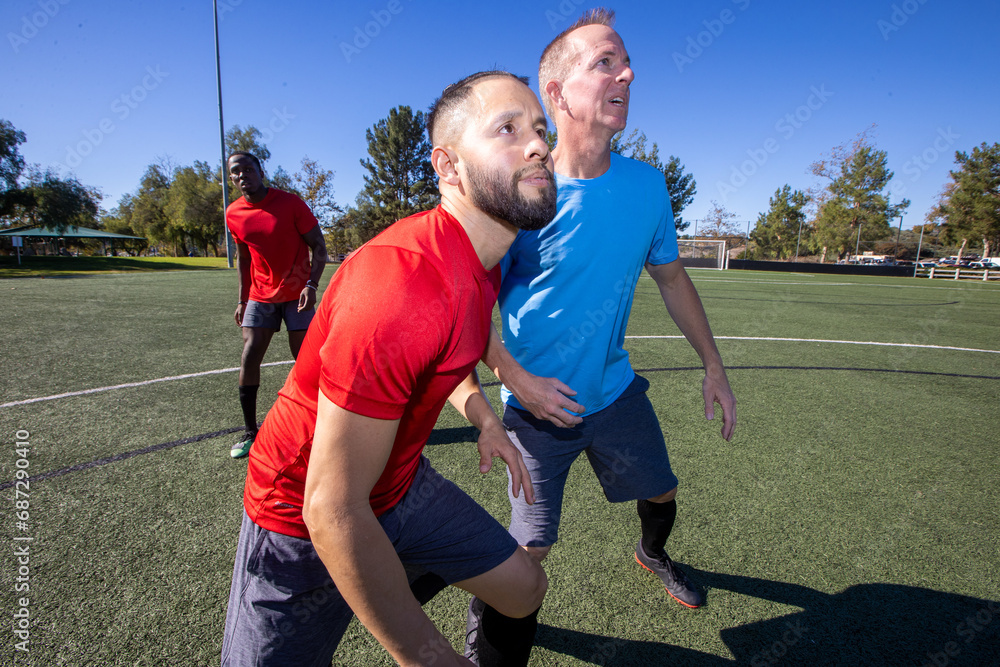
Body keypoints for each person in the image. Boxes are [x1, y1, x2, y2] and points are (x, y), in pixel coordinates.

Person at [221, 71, 557, 667]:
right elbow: (330, 508)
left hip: (398, 484)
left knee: (526, 587)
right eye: (507, 128)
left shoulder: (483, 261)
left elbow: (443, 356)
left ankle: (383, 579)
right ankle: (373, 583)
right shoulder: (400, 282)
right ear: (448, 167)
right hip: (300, 514)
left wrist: (485, 418)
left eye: (539, 129)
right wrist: (429, 657)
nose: (539, 145)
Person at [467, 8, 738, 648]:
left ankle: (653, 554)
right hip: (536, 407)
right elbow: (471, 302)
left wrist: (714, 366)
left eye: (626, 62)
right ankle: (488, 615)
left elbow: (671, 279)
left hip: (614, 393)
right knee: (527, 555)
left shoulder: (648, 187)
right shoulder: (522, 193)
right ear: (556, 94)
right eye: (605, 62)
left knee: (664, 492)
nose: (628, 73)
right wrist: (514, 380)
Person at [226, 152, 328, 458]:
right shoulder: (233, 213)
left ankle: (324, 425)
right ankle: (249, 432)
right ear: (231, 179)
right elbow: (244, 259)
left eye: (248, 169)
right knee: (249, 355)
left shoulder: (290, 203)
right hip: (260, 295)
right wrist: (243, 299)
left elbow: (319, 247)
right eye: (236, 172)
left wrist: (311, 285)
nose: (243, 175)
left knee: (307, 361)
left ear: (260, 170)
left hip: (298, 294)